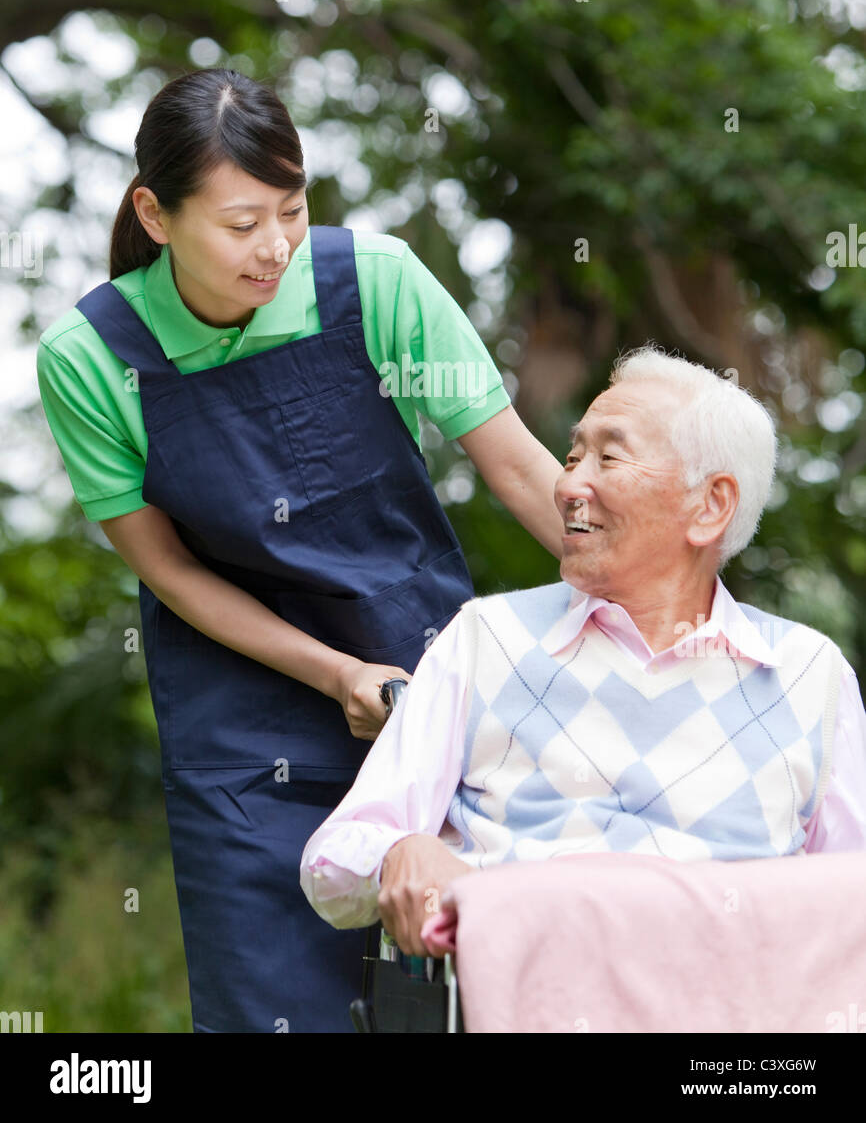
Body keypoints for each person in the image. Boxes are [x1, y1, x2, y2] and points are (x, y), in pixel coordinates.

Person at [36, 67, 565, 1033]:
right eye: (242, 224)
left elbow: (523, 472)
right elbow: (170, 571)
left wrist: (676, 604)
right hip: (240, 726)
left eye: (292, 208)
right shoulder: (88, 359)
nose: (276, 245)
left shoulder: (378, 281)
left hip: (422, 694)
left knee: (451, 998)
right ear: (155, 215)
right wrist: (333, 676)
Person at [300, 345, 866, 955]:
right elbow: (332, 862)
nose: (569, 482)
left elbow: (852, 904)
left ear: (710, 506)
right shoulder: (485, 638)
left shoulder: (809, 676)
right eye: (573, 456)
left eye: (609, 457)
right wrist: (399, 853)